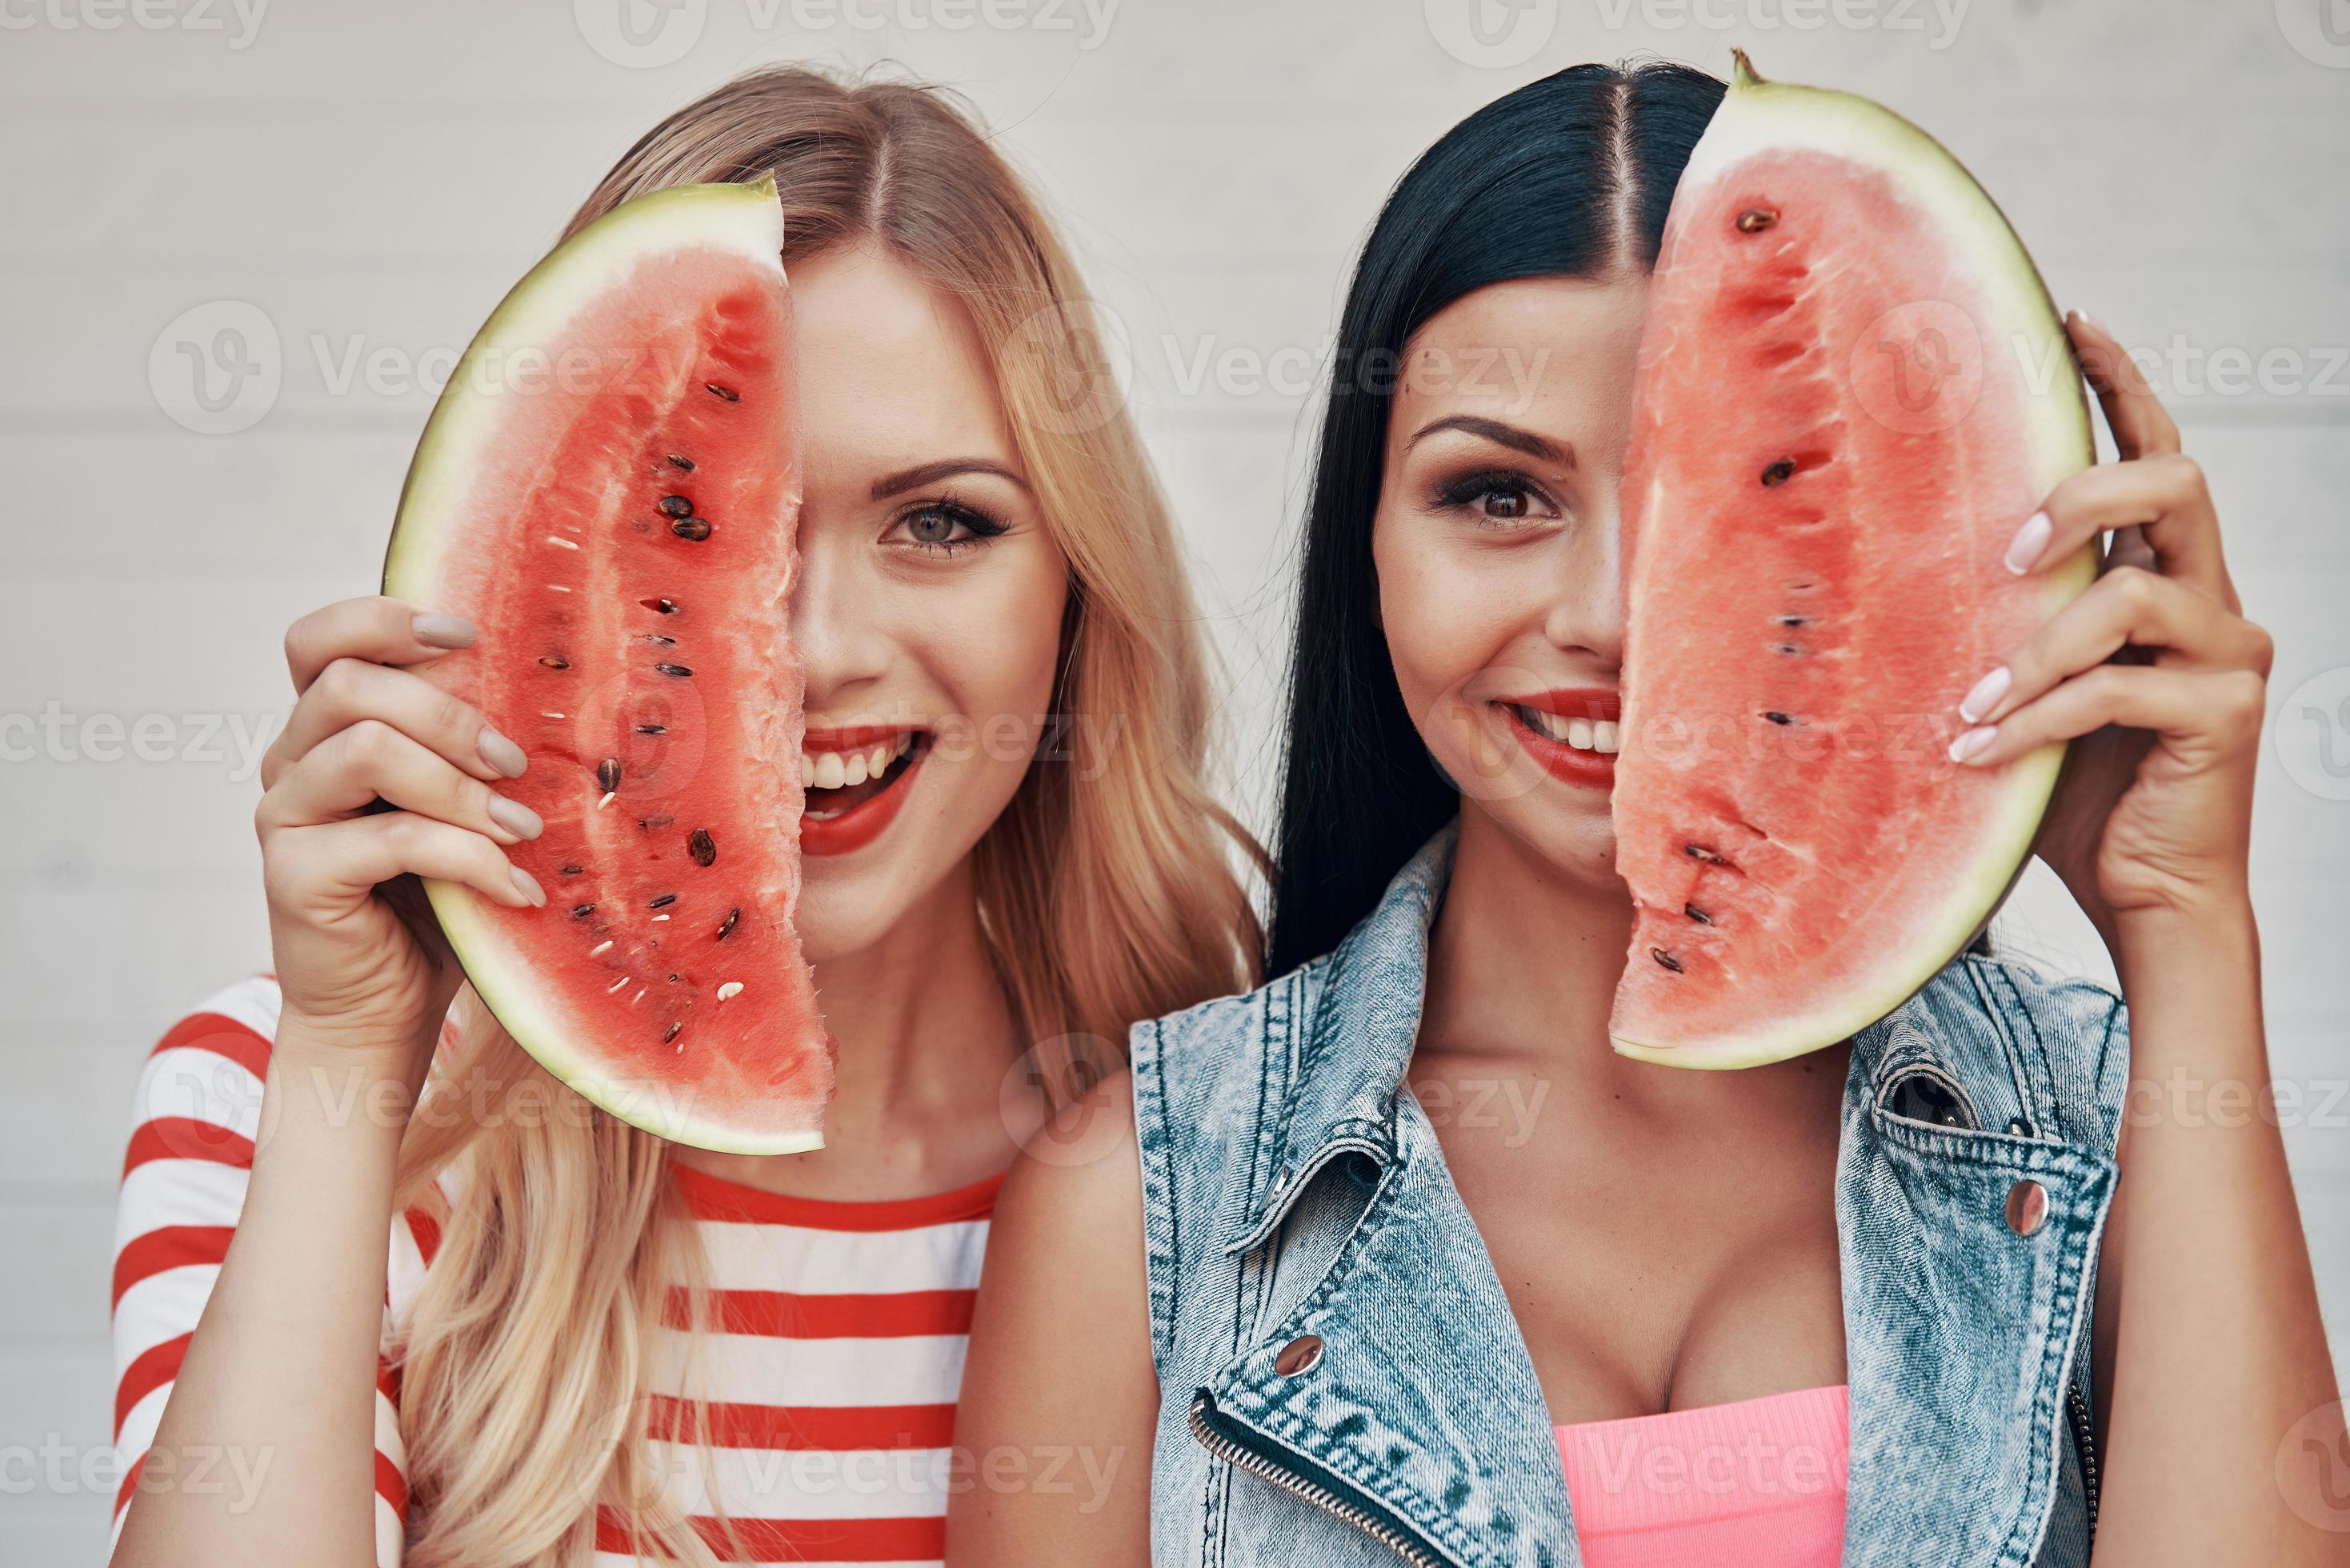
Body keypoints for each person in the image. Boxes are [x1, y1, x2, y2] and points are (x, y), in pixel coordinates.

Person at [954, 62, 2342, 1568]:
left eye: (1718, 502)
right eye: (1495, 495)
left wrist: (2185, 925)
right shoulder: (1139, 1199)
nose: (1609, 615)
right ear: (1370, 544)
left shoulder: (2101, 1132)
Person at [109, 66, 1259, 1568]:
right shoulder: (281, 1094)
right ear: (549, 596)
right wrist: (351, 1059)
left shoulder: (1251, 1156)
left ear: (1077, 590)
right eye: (696, 526)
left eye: (940, 523)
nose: (820, 647)